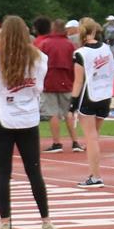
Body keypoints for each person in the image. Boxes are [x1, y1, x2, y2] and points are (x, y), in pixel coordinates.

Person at [0, 16, 57, 229]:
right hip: (28, 117)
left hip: (2, 118)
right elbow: (39, 87)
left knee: (3, 173)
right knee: (34, 171)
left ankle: (5, 223)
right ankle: (46, 222)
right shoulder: (40, 58)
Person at [73, 17, 114, 187]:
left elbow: (78, 81)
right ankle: (94, 173)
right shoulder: (106, 49)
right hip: (105, 96)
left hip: (89, 96)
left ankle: (95, 176)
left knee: (91, 138)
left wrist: (72, 104)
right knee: (94, 137)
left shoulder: (80, 53)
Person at [33, 16, 79, 153]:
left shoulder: (45, 43)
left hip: (49, 81)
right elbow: (74, 64)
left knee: (52, 113)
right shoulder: (69, 44)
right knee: (68, 112)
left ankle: (57, 142)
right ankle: (75, 141)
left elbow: (38, 63)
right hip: (66, 81)